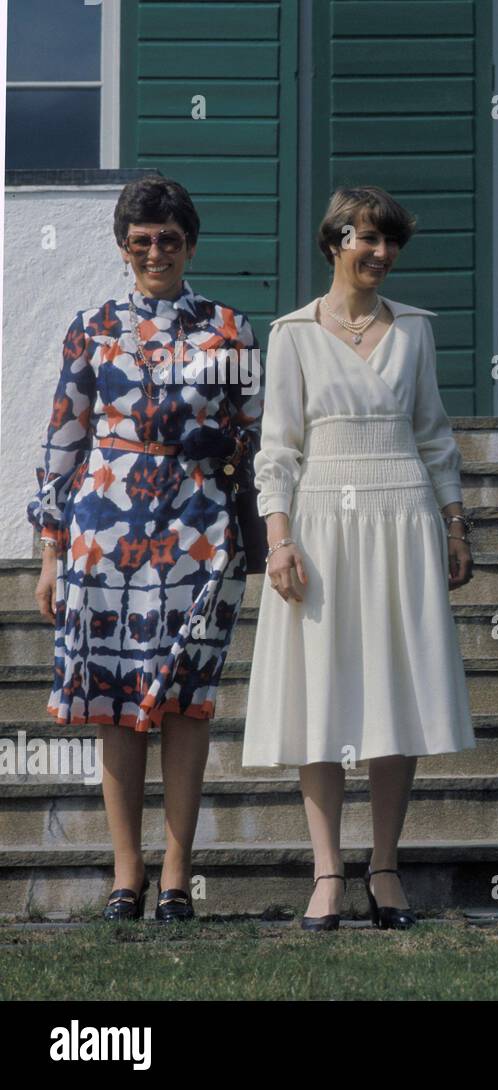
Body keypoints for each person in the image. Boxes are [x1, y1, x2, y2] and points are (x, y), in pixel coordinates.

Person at [242, 186, 475, 931]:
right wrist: (278, 538)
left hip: (401, 517)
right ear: (335, 240)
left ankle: (384, 867)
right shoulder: (292, 334)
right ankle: (327, 872)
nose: (380, 254)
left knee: (392, 695)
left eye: (390, 242)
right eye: (367, 239)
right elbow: (276, 450)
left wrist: (456, 525)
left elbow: (434, 434)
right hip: (321, 524)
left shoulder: (415, 330)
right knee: (322, 692)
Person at [29, 174, 259, 922]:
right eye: (141, 241)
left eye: (168, 238)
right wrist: (50, 553)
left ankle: (177, 876)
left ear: (190, 243)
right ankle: (126, 874)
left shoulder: (229, 328)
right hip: (104, 528)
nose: (154, 251)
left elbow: (257, 432)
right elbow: (64, 437)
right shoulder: (90, 328)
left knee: (186, 704)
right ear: (123, 247)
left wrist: (223, 446)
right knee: (114, 701)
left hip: (200, 527)